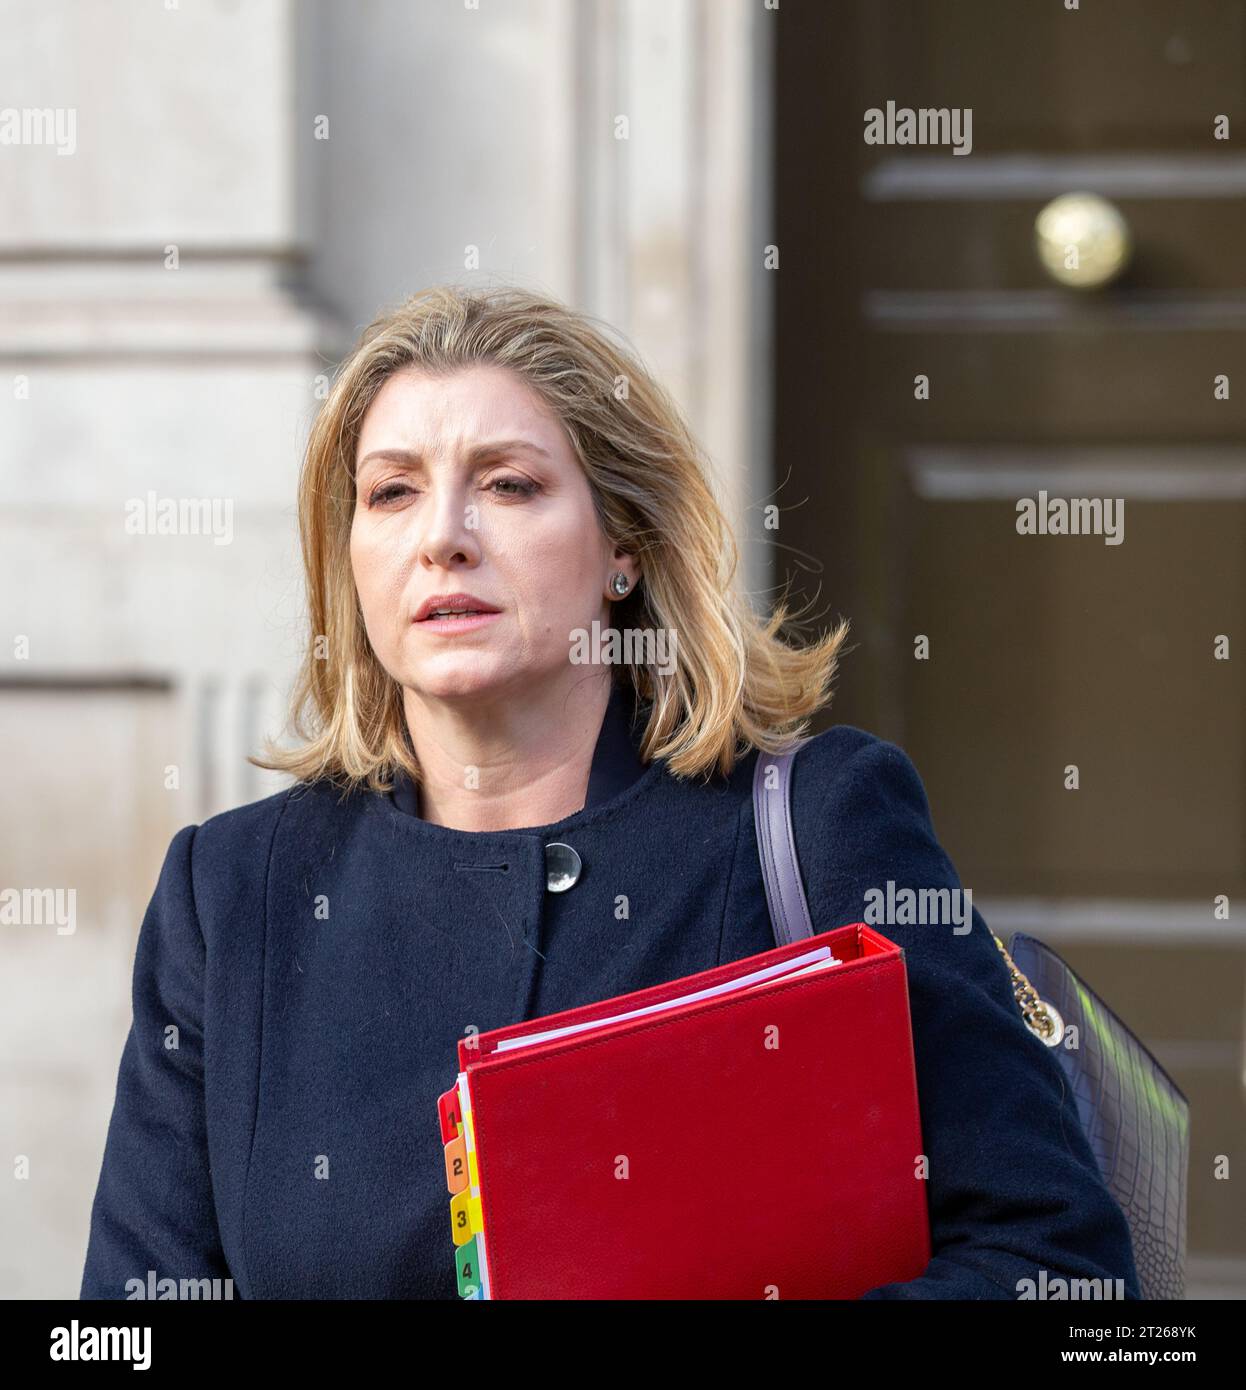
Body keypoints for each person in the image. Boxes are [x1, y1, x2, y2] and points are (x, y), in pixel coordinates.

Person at [80, 284, 1140, 1300]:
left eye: (509, 483)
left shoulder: (816, 826)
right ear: (349, 554)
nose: (441, 534)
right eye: (391, 490)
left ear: (622, 548)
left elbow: (1058, 1262)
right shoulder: (231, 894)